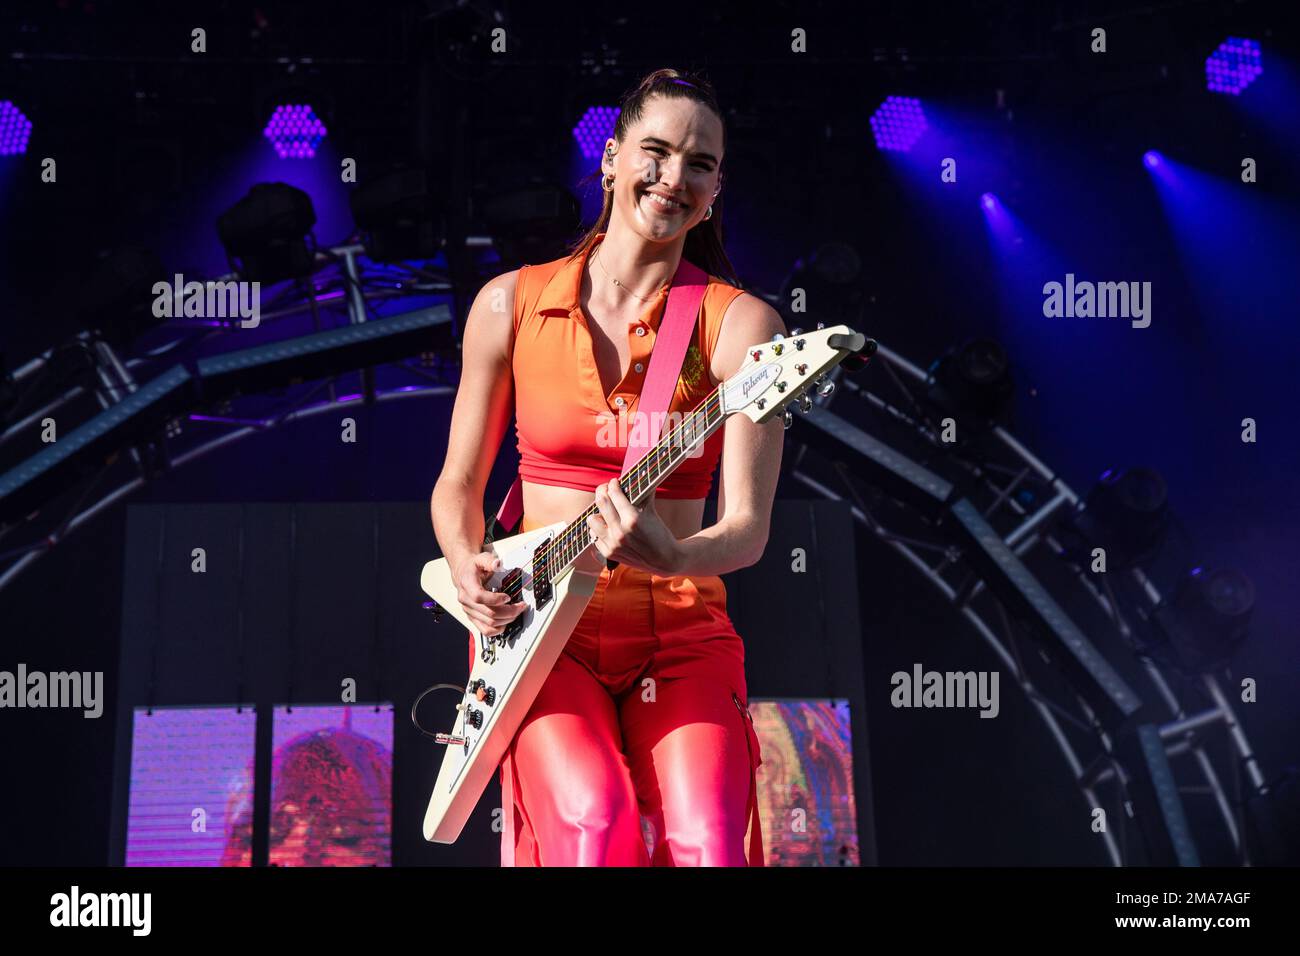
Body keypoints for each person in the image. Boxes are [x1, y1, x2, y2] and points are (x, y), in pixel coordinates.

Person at [430, 67, 785, 866]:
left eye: (700, 164)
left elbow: (749, 529)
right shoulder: (509, 304)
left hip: (679, 630)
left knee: (708, 846)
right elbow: (458, 483)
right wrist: (462, 562)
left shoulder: (742, 324)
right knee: (593, 829)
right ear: (611, 158)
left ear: (716, 190)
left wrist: (678, 557)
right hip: (542, 631)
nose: (674, 177)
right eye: (656, 151)